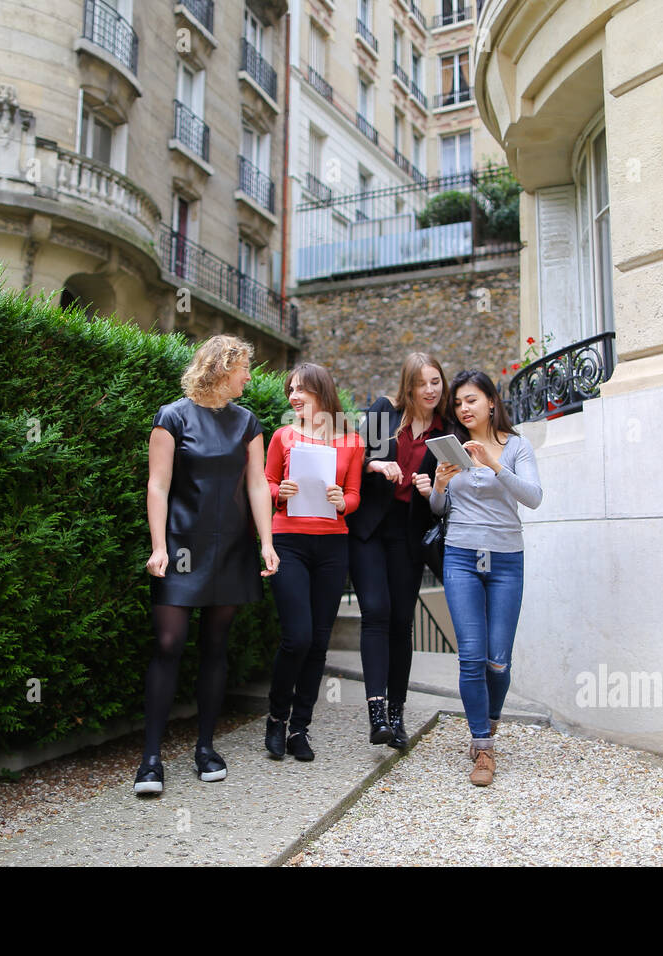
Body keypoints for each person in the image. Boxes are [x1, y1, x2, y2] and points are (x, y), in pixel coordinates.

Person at [138, 335, 279, 796]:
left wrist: (266, 542)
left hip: (232, 546)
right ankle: (151, 759)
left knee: (216, 646)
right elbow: (158, 485)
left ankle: (205, 748)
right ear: (220, 367)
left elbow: (258, 485)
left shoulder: (247, 422)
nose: (248, 376)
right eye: (243, 367)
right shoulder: (173, 415)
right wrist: (158, 546)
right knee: (168, 642)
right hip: (180, 545)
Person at [430, 369, 542, 786]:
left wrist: (493, 464)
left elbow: (532, 497)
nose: (464, 408)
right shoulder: (452, 449)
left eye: (471, 399)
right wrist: (439, 486)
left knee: (499, 660)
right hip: (461, 557)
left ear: (492, 402)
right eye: (458, 403)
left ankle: (489, 719)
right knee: (472, 656)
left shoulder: (517, 447)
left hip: (506, 560)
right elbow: (439, 509)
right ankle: (482, 746)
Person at [346, 353, 447, 748]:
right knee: (376, 612)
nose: (430, 390)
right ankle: (376, 716)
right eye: (422, 383)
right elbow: (353, 458)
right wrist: (374, 464)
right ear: (408, 385)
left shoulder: (445, 431)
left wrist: (434, 489)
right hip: (370, 530)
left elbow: (453, 489)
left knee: (402, 622)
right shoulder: (383, 413)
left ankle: (397, 714)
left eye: (436, 381)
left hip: (409, 533)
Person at [264, 363, 364, 761]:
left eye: (301, 389)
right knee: (298, 637)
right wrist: (280, 491)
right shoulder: (282, 436)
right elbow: (266, 482)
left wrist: (345, 501)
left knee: (319, 641)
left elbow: (354, 494)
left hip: (332, 546)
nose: (293, 396)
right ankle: (276, 719)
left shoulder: (353, 442)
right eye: (290, 389)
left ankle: (300, 729)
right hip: (288, 541)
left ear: (322, 393)